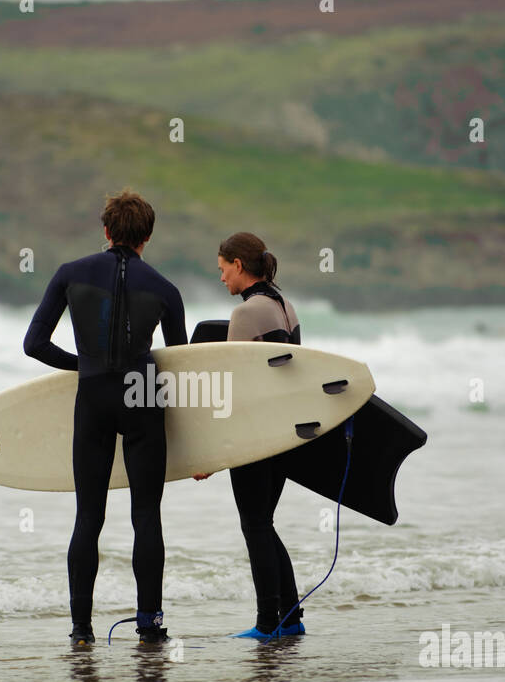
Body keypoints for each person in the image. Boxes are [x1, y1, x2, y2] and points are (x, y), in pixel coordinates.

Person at [23, 190, 187, 647]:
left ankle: (81, 629)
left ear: (106, 230)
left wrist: (85, 367)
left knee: (88, 516)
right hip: (143, 397)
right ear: (147, 236)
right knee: (146, 515)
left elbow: (33, 344)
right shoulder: (165, 289)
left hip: (93, 399)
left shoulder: (69, 274)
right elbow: (181, 362)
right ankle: (149, 623)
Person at [195, 232, 304, 640]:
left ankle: (267, 623)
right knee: (264, 522)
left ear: (239, 266)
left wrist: (211, 454)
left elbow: (232, 391)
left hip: (255, 435)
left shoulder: (246, 315)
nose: (221, 277)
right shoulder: (285, 307)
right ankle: (290, 618)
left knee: (254, 525)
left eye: (223, 270)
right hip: (285, 434)